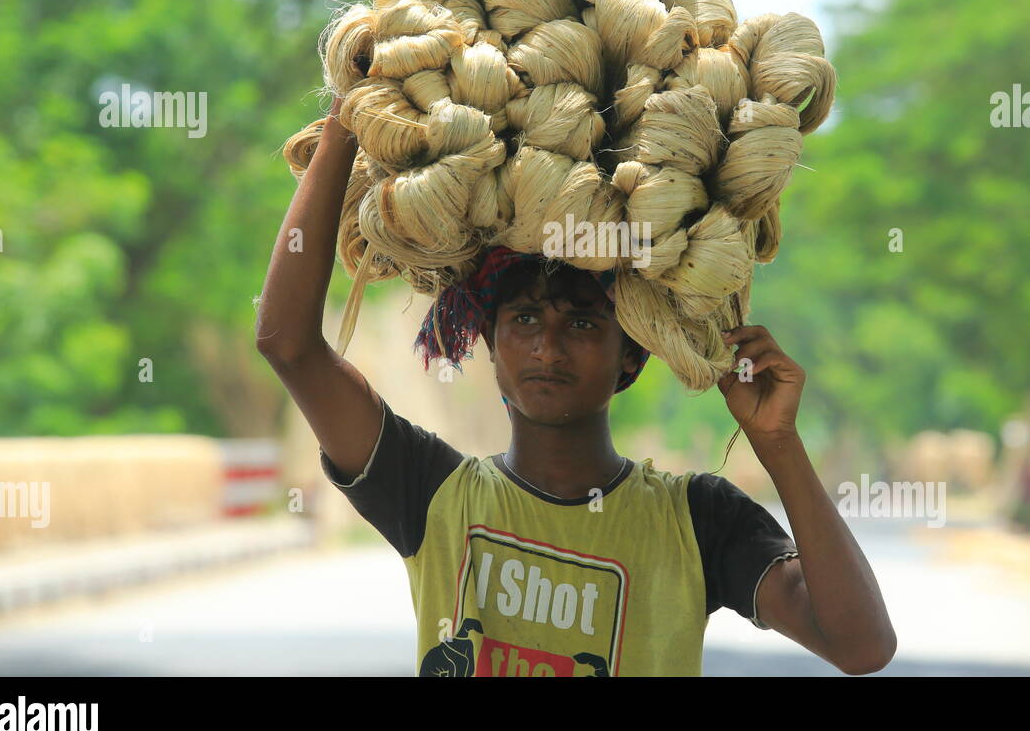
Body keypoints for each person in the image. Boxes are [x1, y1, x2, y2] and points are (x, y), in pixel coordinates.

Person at [256, 96, 896, 676]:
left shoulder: (698, 520)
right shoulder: (429, 492)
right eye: (524, 319)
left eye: (583, 322)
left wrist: (778, 442)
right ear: (492, 346)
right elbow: (288, 345)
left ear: (629, 356)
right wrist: (346, 121)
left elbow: (861, 646)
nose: (548, 346)